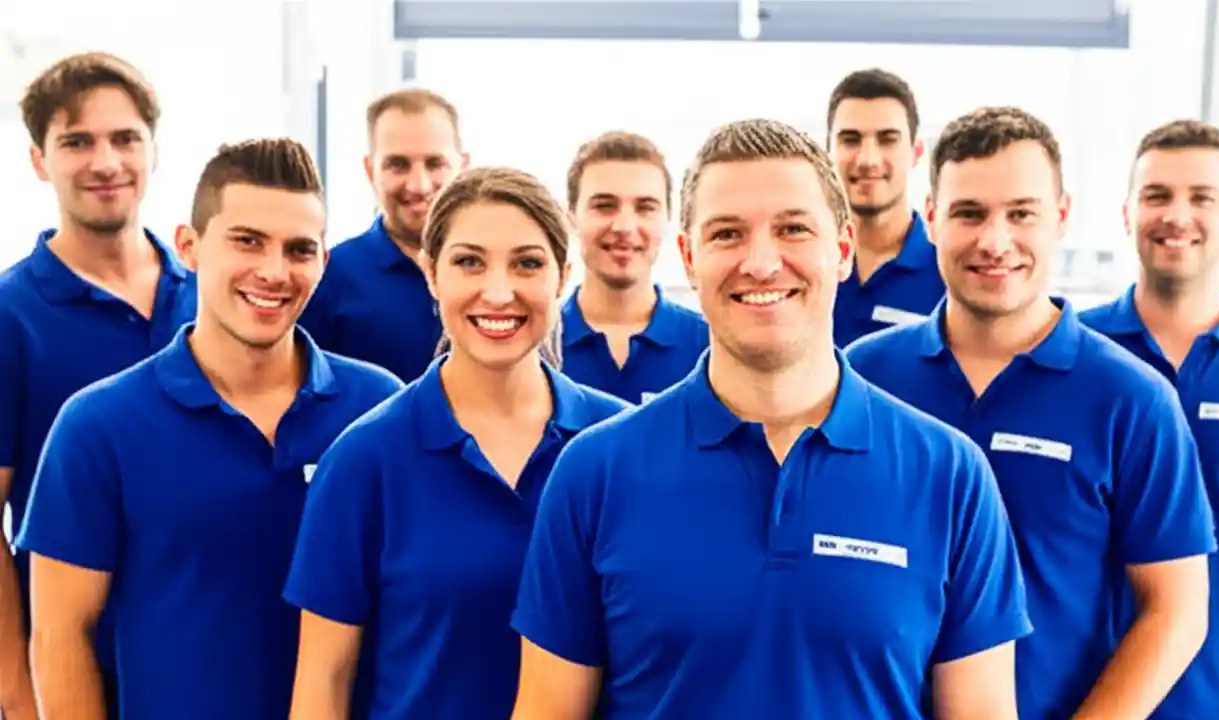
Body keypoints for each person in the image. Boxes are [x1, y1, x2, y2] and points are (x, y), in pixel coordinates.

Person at [509, 118, 1031, 719]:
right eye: (727, 234)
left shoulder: (950, 475)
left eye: (792, 229)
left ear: (840, 250)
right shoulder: (596, 472)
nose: (761, 263)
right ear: (688, 256)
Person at [844, 107, 1215, 719]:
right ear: (931, 217)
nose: (995, 241)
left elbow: (1176, 609)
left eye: (1021, 214)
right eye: (969, 213)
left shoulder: (1132, 400)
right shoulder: (862, 378)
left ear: (1060, 218)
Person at [15, 139, 403, 719]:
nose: (274, 272)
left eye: (299, 250)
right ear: (189, 247)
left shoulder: (379, 407)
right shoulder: (98, 427)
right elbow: (60, 638)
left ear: (322, 262)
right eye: (247, 241)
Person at [284, 166, 629, 719]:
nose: (498, 291)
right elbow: (325, 680)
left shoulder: (621, 447)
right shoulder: (364, 460)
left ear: (563, 276)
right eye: (469, 261)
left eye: (528, 263)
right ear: (432, 274)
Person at [0, 51, 196, 720]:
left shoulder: (212, 297)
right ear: (38, 159)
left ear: (153, 149)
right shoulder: (12, 315)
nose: (105, 162)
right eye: (77, 141)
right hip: (81, 670)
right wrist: (18, 688)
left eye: (124, 138)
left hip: (208, 656)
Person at [1079, 119, 1219, 720]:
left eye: (1202, 198)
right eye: (1157, 195)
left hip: (1215, 704)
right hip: (1072, 701)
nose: (1177, 215)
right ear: (1127, 212)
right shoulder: (1071, 353)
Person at [299, 88, 470, 382]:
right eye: (398, 165)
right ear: (370, 169)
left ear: (462, 167)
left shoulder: (493, 274)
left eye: (435, 163)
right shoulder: (329, 277)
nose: (419, 185)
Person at [559, 131, 708, 403]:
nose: (624, 226)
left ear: (667, 219)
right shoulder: (537, 346)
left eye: (645, 208)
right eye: (605, 206)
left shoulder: (710, 347)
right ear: (571, 217)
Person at [827, 68, 944, 346]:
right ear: (828, 151)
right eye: (851, 139)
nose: (868, 159)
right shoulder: (804, 264)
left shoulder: (950, 271)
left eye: (887, 139)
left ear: (916, 152)